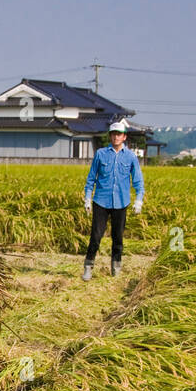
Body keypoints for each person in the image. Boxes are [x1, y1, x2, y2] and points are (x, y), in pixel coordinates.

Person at [82, 119, 144, 279]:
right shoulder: (101, 154)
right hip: (100, 201)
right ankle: (88, 267)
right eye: (113, 134)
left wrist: (139, 199)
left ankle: (116, 268)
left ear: (124, 137)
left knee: (118, 238)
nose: (116, 137)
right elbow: (91, 179)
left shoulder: (130, 157)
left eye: (119, 134)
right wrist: (87, 198)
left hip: (121, 202)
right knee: (96, 236)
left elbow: (138, 180)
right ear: (110, 136)